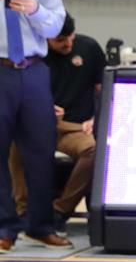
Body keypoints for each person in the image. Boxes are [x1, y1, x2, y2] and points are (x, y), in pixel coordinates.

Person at [0, 0, 70, 251]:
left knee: (41, 150)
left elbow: (58, 26)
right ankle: (4, 228)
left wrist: (35, 11)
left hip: (33, 68)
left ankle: (40, 224)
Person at [7, 13, 104, 230]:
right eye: (60, 40)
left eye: (70, 37)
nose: (67, 44)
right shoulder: (31, 55)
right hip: (39, 124)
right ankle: (23, 210)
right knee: (15, 143)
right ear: (46, 38)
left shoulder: (89, 48)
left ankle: (61, 210)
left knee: (93, 150)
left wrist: (96, 118)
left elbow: (103, 90)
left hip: (76, 128)